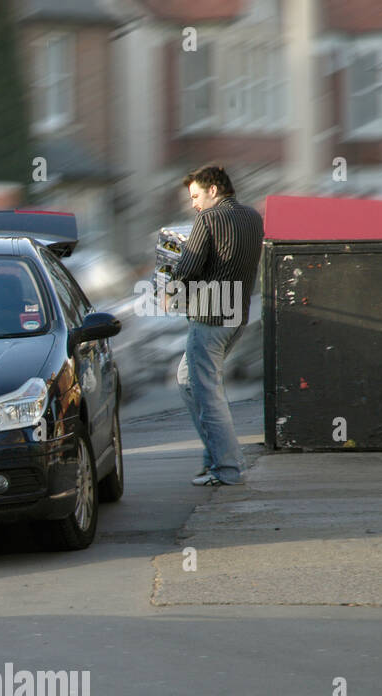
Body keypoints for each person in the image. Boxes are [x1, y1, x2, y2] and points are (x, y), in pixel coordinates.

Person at [167, 165, 264, 486]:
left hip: (209, 318)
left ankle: (227, 469)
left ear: (213, 190)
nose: (193, 203)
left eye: (196, 196)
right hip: (237, 315)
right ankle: (213, 458)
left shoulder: (207, 219)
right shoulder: (253, 217)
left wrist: (170, 280)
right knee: (186, 379)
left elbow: (188, 268)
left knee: (209, 395)